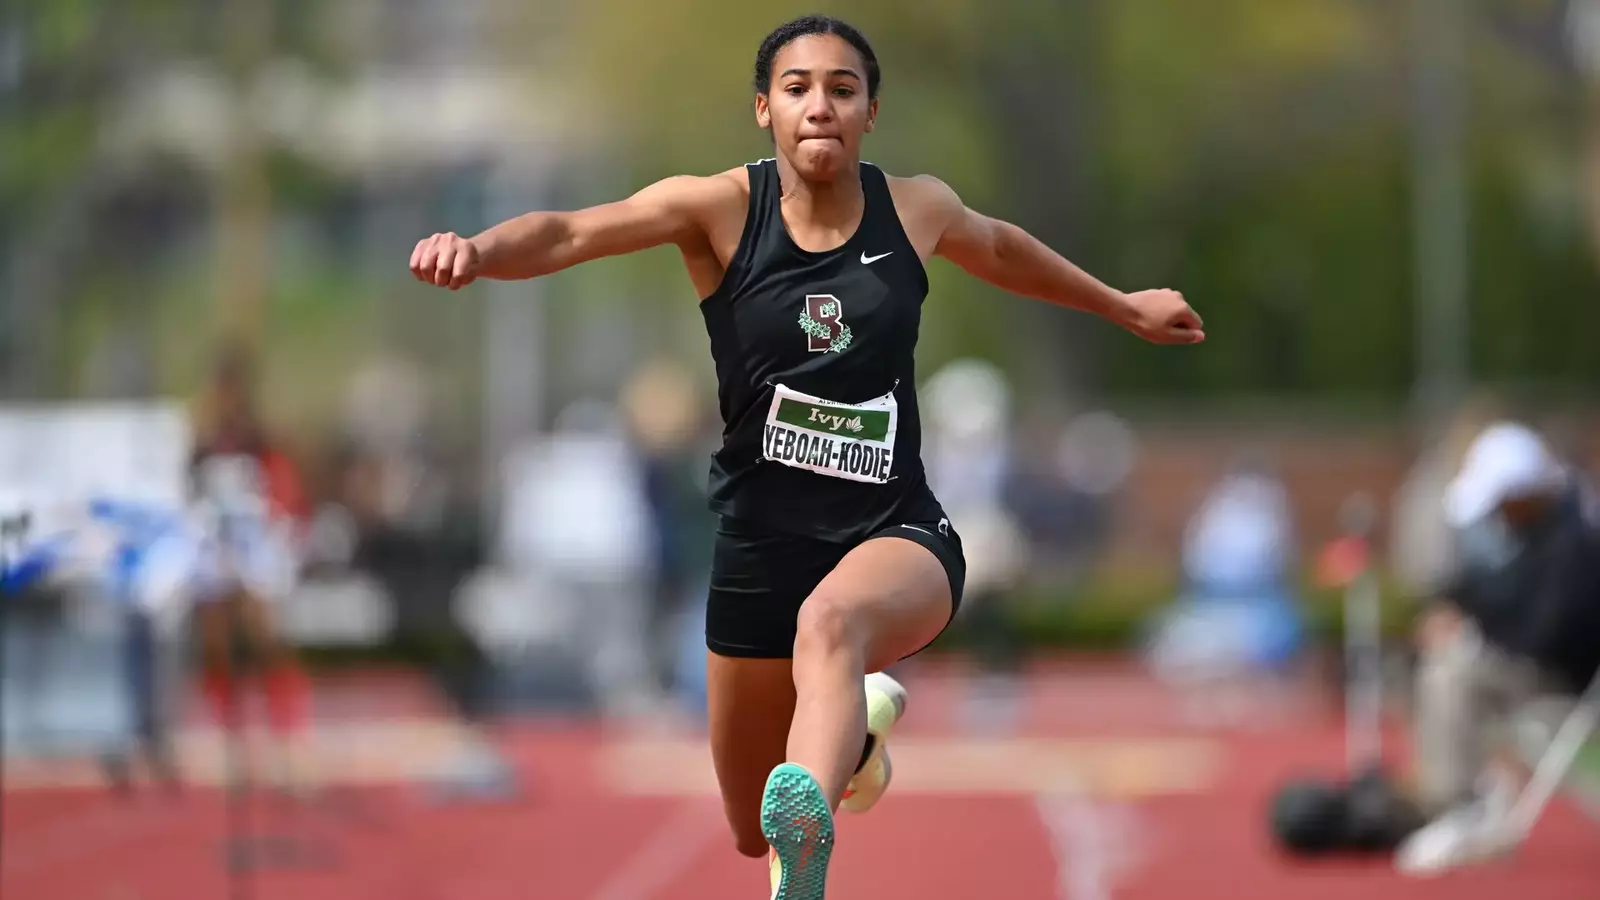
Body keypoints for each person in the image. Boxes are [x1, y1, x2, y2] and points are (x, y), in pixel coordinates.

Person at [407, 15, 1203, 898]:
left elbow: (1004, 250)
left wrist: (1121, 305)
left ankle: (807, 870)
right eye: (797, 88)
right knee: (750, 827)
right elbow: (569, 232)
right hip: (758, 548)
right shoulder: (716, 211)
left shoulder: (916, 208)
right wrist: (475, 251)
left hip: (893, 533)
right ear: (763, 110)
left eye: (841, 89)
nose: (819, 106)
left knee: (829, 628)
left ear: (870, 112)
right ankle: (853, 745)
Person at [1398, 421, 1600, 876]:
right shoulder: (1531, 534)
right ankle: (1472, 795)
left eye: (1500, 502)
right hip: (1534, 672)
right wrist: (1456, 610)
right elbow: (1486, 590)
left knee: (1451, 673)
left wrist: (1475, 628)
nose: (1494, 513)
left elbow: (1545, 635)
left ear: (1522, 494)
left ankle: (1459, 805)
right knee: (1447, 662)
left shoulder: (1574, 544)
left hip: (1561, 684)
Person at [188, 348, 315, 793]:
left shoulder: (259, 438)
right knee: (218, 646)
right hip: (214, 546)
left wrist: (284, 534)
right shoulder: (200, 442)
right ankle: (232, 748)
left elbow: (286, 486)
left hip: (254, 546)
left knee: (267, 642)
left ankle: (287, 746)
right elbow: (187, 492)